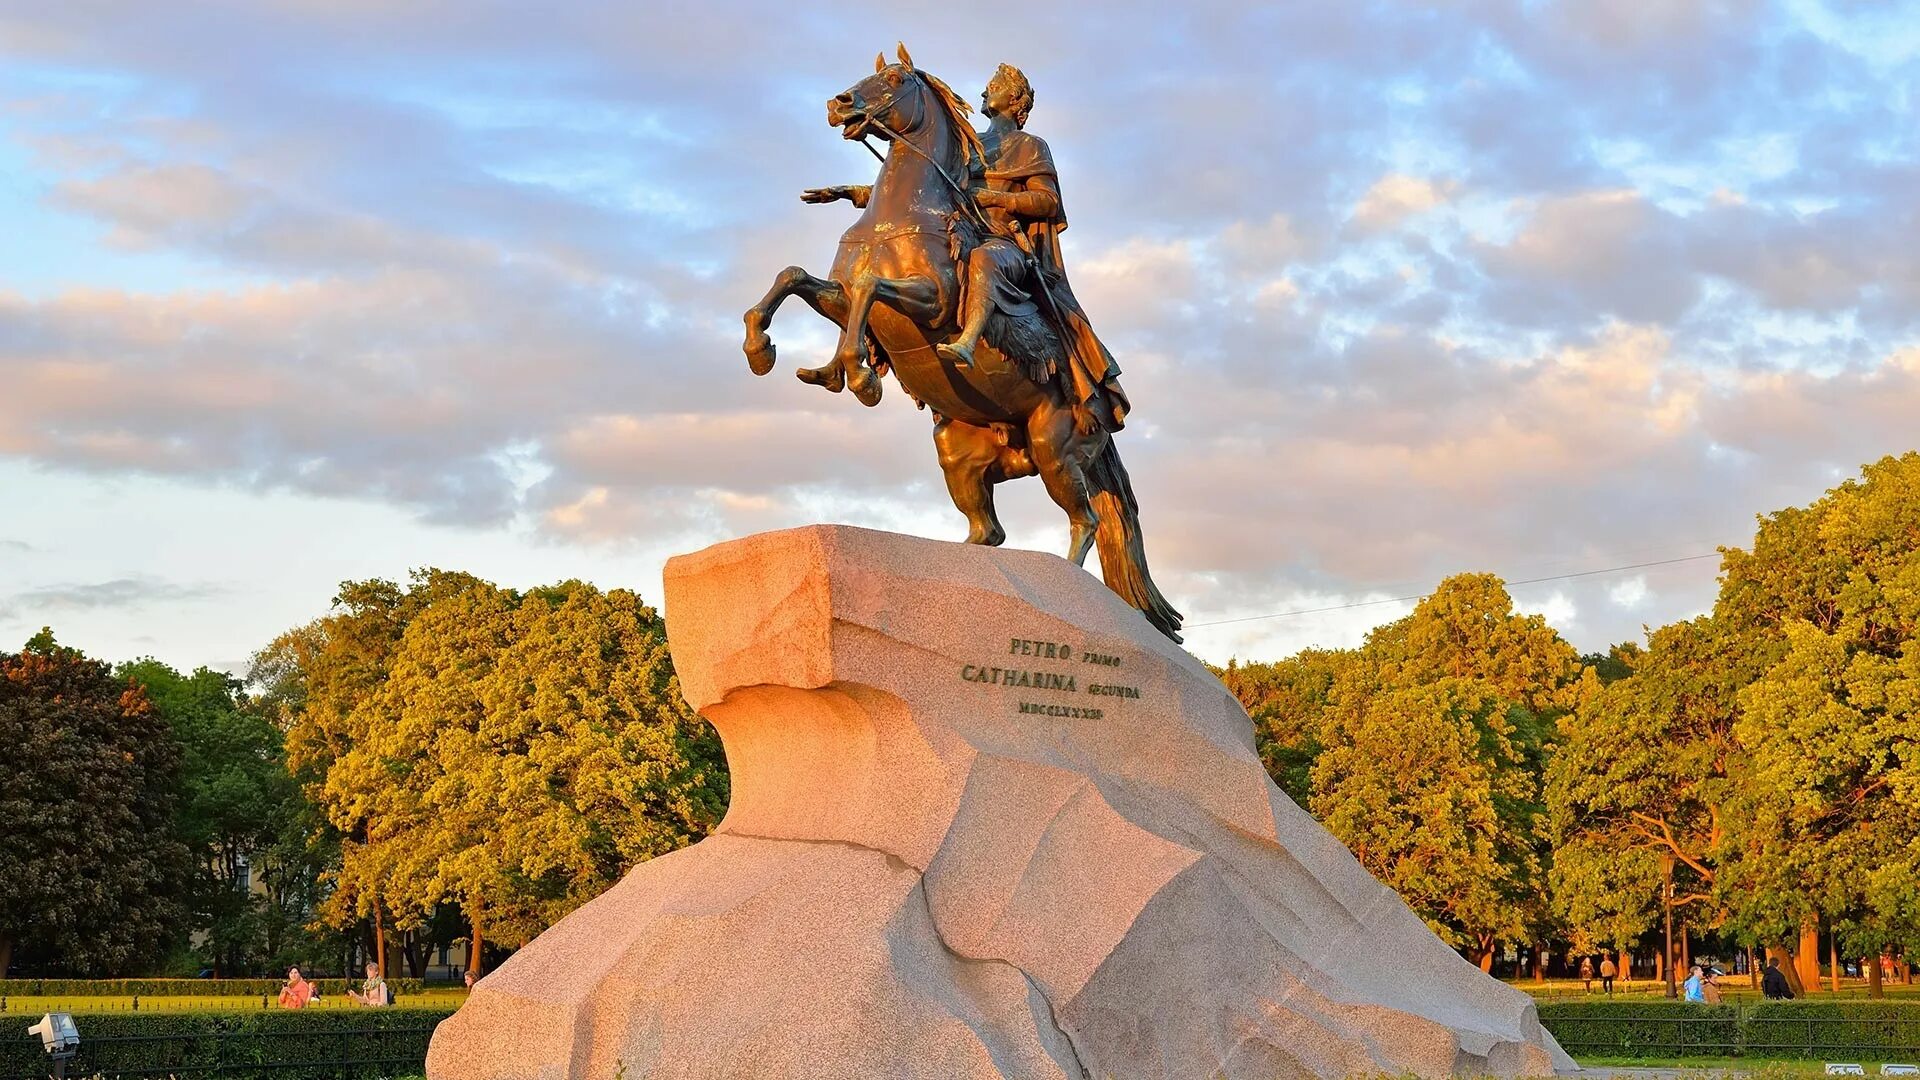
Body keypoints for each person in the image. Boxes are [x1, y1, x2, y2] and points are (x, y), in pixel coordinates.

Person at [931, 63, 1131, 434]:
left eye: (993, 86)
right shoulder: (966, 144)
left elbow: (1047, 202)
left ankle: (969, 341)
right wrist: (865, 194)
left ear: (1015, 99)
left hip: (1004, 244)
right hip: (960, 233)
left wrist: (997, 198)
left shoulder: (1030, 146)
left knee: (984, 259)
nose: (984, 92)